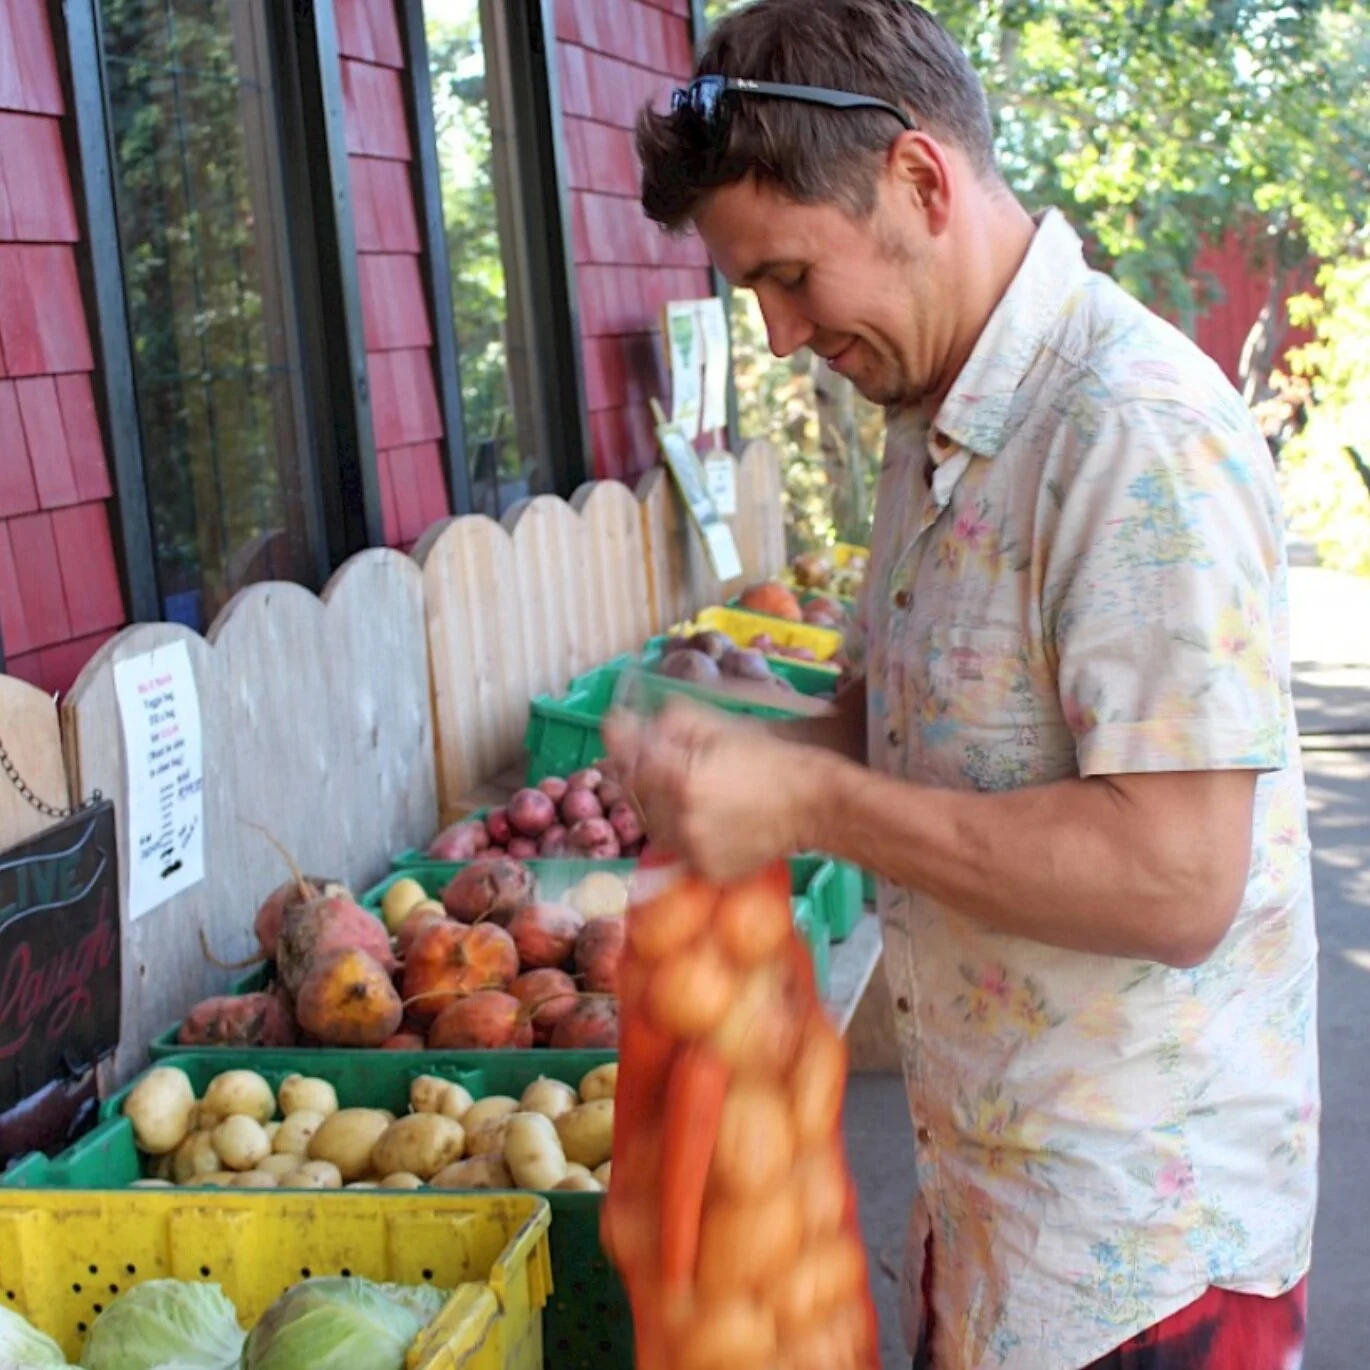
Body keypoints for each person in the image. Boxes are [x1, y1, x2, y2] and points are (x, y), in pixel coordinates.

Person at [606, 2, 1320, 1367]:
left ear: (919, 182)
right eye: (750, 289)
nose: (774, 335)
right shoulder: (930, 411)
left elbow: (1177, 877)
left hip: (1142, 1275)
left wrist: (807, 795)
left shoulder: (1130, 431)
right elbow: (925, 742)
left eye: (790, 276)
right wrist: (746, 749)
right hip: (991, 1218)